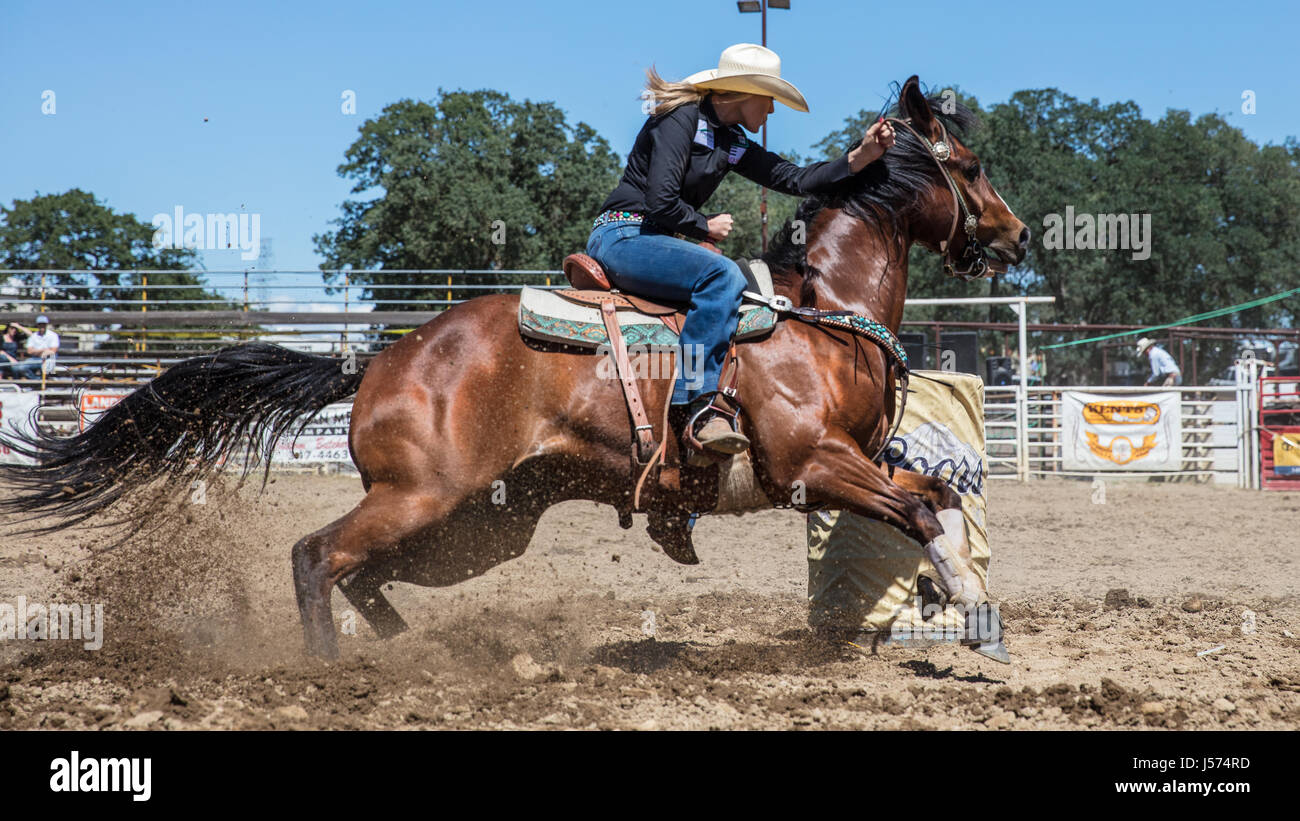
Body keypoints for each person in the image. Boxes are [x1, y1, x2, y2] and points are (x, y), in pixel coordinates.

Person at [586, 43, 895, 458]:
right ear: (747, 93)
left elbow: (793, 178)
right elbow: (660, 201)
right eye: (769, 100)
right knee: (723, 275)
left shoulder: (729, 141)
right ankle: (697, 406)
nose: (771, 112)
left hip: (651, 241)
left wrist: (859, 157)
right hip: (623, 236)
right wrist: (704, 226)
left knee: (729, 280)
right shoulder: (680, 118)